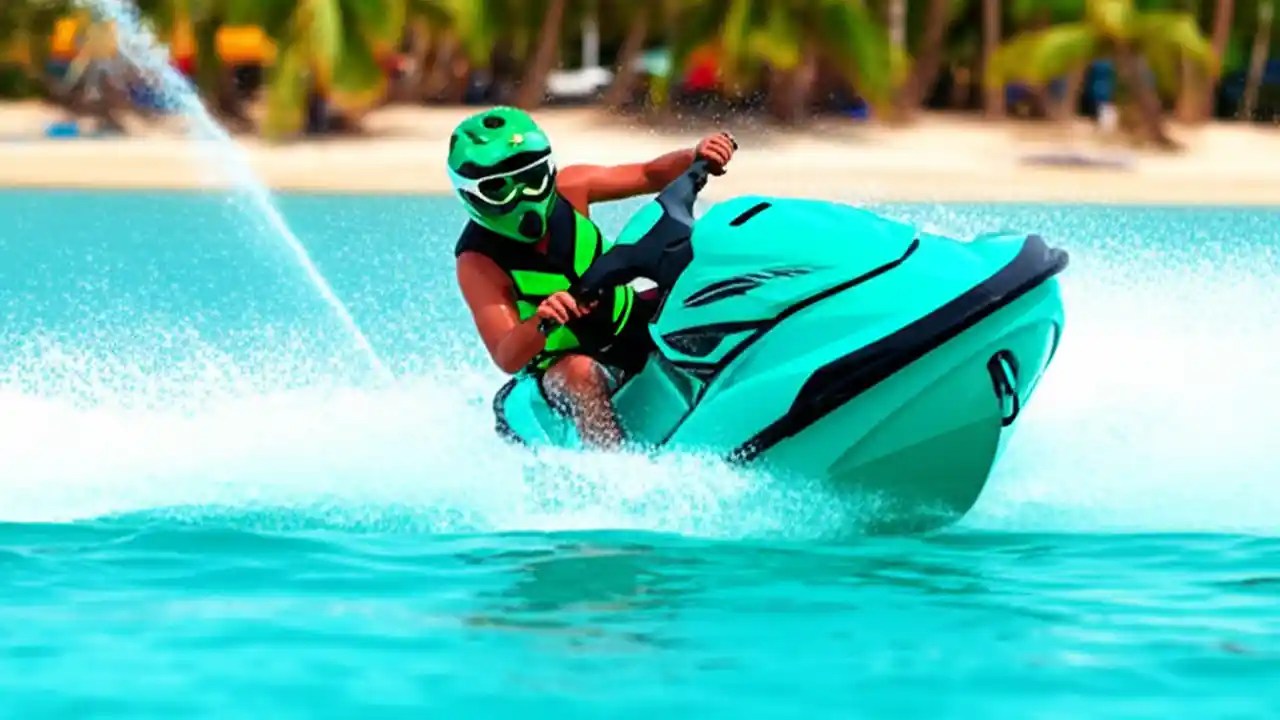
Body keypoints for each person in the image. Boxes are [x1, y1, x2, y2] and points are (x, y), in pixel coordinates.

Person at [449, 106, 736, 448]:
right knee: (579, 372)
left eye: (533, 178)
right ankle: (612, 473)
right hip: (558, 363)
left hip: (627, 320)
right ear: (470, 194)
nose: (524, 197)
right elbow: (506, 356)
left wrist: (696, 154)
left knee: (711, 289)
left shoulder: (572, 187)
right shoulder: (477, 262)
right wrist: (542, 320)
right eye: (500, 188)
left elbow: (648, 174)